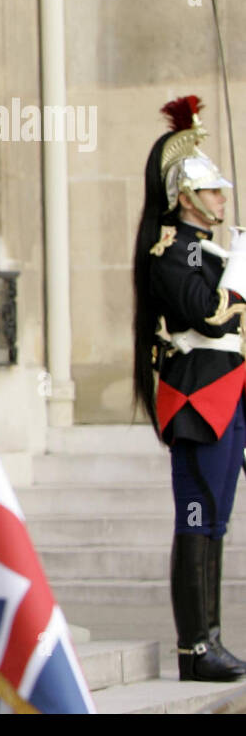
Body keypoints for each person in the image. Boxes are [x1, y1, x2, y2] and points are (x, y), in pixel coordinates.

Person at [132, 96, 246, 683]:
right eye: (213, 192)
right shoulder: (171, 251)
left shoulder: (211, 250)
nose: (222, 200)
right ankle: (195, 648)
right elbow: (206, 315)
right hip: (200, 400)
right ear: (185, 197)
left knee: (216, 520)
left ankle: (212, 639)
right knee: (198, 518)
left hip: (228, 392)